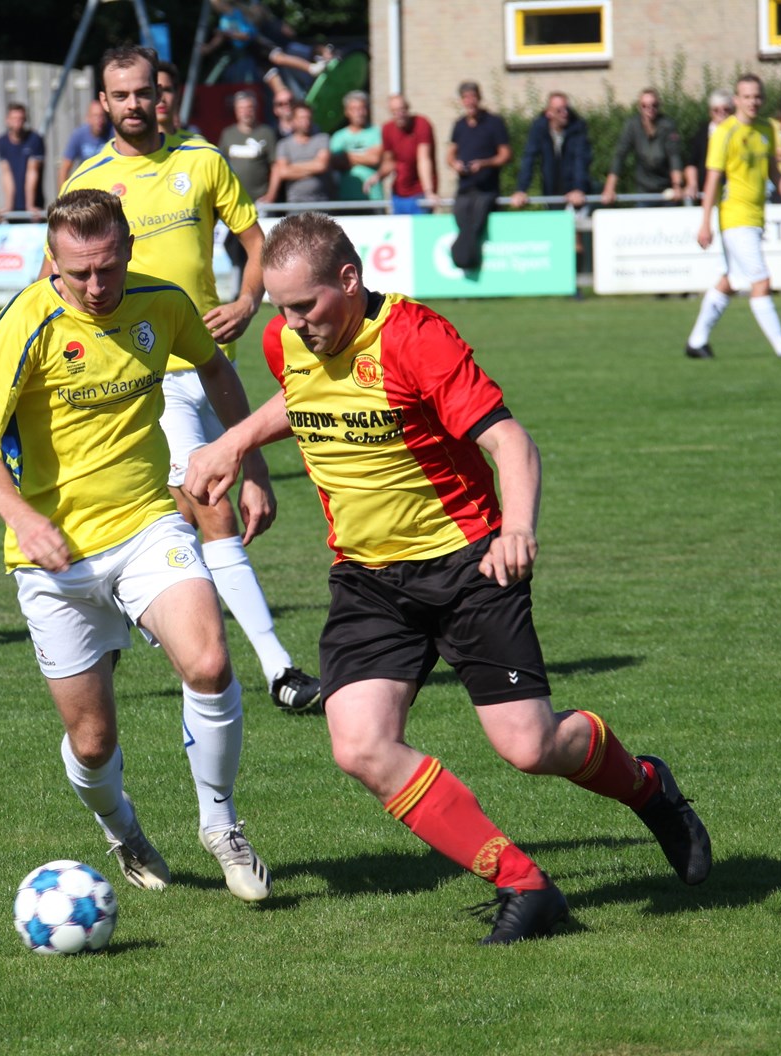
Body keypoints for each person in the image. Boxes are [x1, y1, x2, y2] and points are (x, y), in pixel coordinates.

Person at [183, 212, 712, 944]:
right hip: (367, 579)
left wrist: (517, 529)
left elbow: (510, 441)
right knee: (359, 746)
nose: (295, 324)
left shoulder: (415, 338)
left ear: (349, 279)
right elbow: (307, 396)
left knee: (530, 747)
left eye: (306, 306)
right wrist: (236, 441)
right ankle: (524, 885)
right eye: (282, 309)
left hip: (468, 565)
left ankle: (648, 788)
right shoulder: (286, 340)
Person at [0, 188, 273, 903]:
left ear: (128, 247)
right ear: (52, 261)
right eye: (78, 273)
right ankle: (121, 828)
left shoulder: (162, 303)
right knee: (93, 742)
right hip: (53, 558)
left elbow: (215, 367)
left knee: (209, 662)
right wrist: (24, 520)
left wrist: (248, 462)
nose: (96, 286)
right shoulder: (24, 324)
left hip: (146, 525)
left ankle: (221, 826)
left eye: (107, 267)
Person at [60, 45, 320, 713]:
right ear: (104, 103)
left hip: (211, 365)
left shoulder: (202, 161)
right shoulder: (89, 179)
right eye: (121, 95)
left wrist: (247, 300)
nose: (134, 104)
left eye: (144, 91)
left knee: (181, 511)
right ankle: (279, 668)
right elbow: (56, 278)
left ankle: (126, 612)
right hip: (147, 376)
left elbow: (257, 244)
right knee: (212, 507)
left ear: (160, 94)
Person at [685, 74, 781, 360]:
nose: (753, 101)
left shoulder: (766, 129)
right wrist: (705, 222)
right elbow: (712, 180)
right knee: (761, 281)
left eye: (757, 96)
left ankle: (696, 342)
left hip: (755, 217)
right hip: (735, 218)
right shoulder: (725, 132)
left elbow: (775, 173)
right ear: (736, 100)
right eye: (747, 96)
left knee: (730, 282)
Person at [445, 81, 509, 272]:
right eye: (466, 98)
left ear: (479, 98)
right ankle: (464, 260)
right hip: (465, 188)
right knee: (462, 223)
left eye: (473, 97)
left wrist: (484, 164)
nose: (470, 101)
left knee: (477, 224)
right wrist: (456, 164)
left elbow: (505, 154)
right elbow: (450, 155)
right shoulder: (459, 125)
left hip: (486, 188)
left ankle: (468, 261)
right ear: (462, 101)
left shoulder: (494, 122)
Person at [218, 91, 277, 285]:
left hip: (259, 201)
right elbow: (220, 165)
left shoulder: (266, 133)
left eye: (249, 107)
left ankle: (266, 283)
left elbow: (276, 166)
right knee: (233, 245)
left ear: (256, 109)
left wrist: (271, 195)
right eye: (242, 108)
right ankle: (238, 282)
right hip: (234, 201)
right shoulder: (228, 134)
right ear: (236, 111)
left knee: (261, 245)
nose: (246, 112)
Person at [509, 91, 592, 210]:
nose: (565, 113)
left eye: (566, 109)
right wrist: (521, 190)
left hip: (575, 193)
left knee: (577, 218)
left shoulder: (578, 128)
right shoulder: (539, 128)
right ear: (549, 113)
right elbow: (529, 159)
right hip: (551, 190)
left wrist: (579, 189)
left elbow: (581, 160)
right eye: (559, 110)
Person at [600, 88, 684, 205]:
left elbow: (674, 157)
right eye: (645, 106)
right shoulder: (632, 125)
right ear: (639, 107)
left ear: (659, 106)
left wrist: (677, 186)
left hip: (667, 190)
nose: (650, 109)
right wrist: (609, 188)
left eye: (654, 105)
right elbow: (620, 156)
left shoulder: (668, 125)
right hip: (644, 191)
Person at [368, 93, 436, 214]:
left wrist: (429, 191)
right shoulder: (387, 129)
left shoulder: (421, 124)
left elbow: (423, 159)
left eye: (402, 109)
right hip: (398, 193)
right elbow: (390, 162)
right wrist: (378, 176)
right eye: (394, 111)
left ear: (408, 108)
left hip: (420, 192)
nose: (399, 114)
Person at [265, 101, 334, 205]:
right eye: (302, 118)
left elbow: (321, 166)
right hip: (295, 204)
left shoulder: (322, 139)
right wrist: (313, 168)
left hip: (321, 202)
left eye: (308, 118)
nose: (306, 122)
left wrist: (292, 167)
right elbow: (283, 172)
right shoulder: (284, 145)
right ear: (293, 121)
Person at [328, 91, 384, 202]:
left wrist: (347, 156)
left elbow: (374, 159)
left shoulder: (376, 132)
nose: (359, 113)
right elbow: (334, 162)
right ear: (346, 112)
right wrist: (365, 156)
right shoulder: (338, 136)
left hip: (373, 196)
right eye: (354, 109)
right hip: (346, 197)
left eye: (362, 108)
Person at [0, 102, 46, 221]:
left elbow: (32, 172)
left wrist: (30, 206)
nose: (17, 122)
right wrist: (8, 206)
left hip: (34, 204)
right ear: (7, 120)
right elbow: (6, 174)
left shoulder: (35, 139)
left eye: (20, 119)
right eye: (14, 118)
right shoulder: (1, 142)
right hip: (13, 207)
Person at [682, 90, 735, 200]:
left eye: (726, 109)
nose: (721, 113)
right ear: (710, 112)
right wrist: (692, 183)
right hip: (705, 193)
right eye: (716, 110)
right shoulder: (702, 133)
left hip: (733, 194)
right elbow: (691, 163)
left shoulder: (739, 132)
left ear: (732, 110)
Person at [58, 99, 112, 187]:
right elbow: (65, 167)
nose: (99, 120)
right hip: (87, 183)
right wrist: (63, 192)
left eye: (102, 116)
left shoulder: (113, 134)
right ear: (88, 118)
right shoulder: (79, 135)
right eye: (95, 116)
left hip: (109, 182)